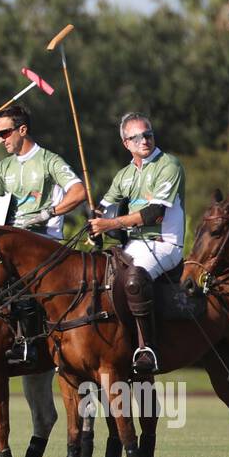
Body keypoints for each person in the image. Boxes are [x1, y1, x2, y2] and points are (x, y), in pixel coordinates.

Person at [0, 104, 87, 363]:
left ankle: (29, 343)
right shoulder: (3, 168)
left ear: (23, 129)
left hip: (41, 240)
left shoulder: (49, 161)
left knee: (18, 277)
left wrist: (49, 212)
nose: (1, 139)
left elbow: (79, 193)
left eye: (5, 133)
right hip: (8, 241)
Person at [89, 112, 187, 376]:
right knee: (95, 273)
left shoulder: (168, 165)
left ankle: (147, 348)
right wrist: (94, 223)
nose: (144, 140)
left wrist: (110, 225)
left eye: (148, 134)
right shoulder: (124, 175)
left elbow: (154, 213)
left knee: (133, 279)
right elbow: (104, 206)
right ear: (126, 143)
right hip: (133, 244)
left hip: (164, 244)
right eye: (137, 137)